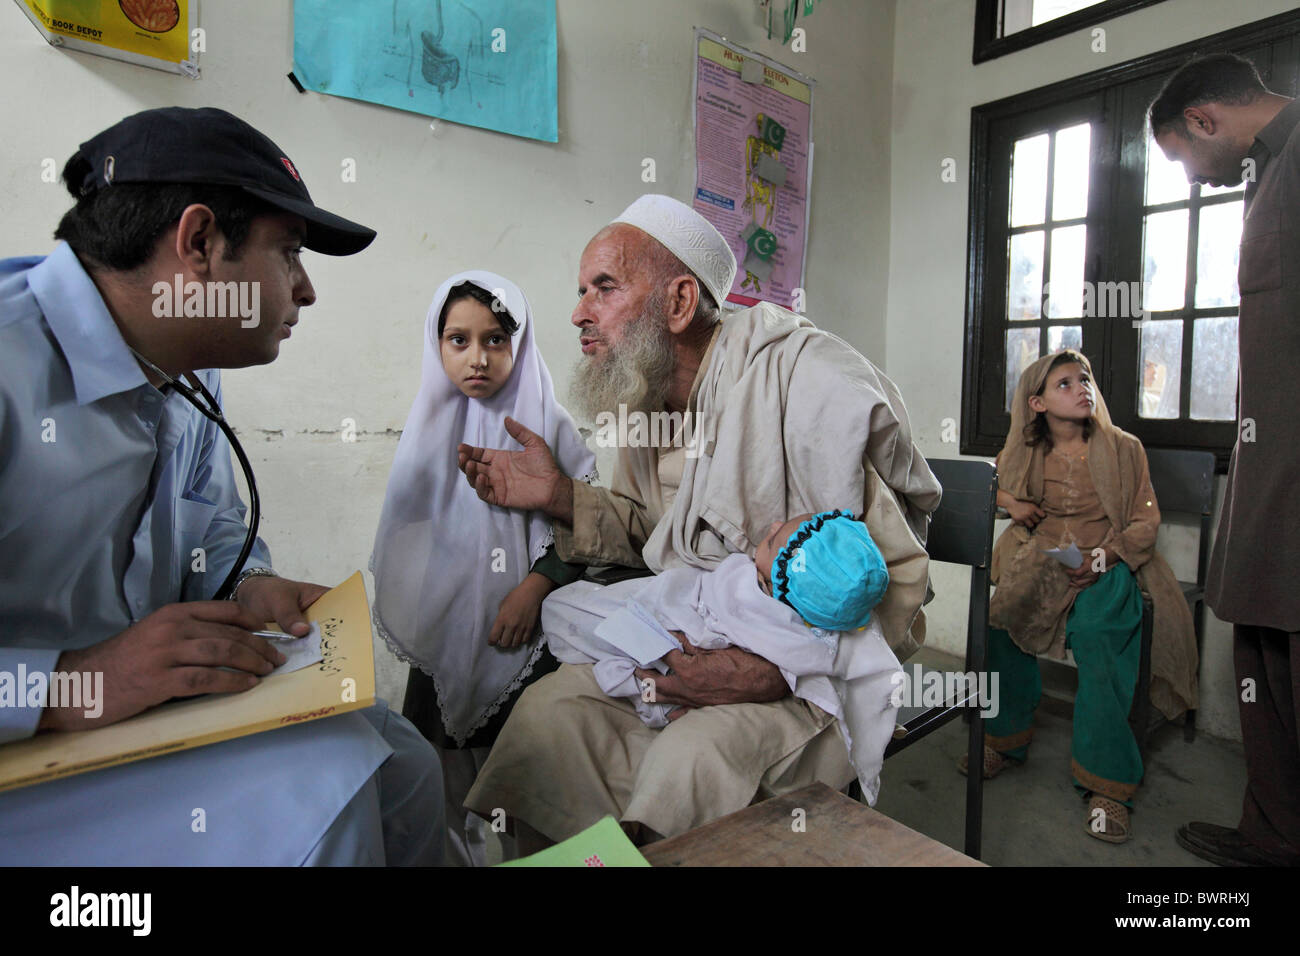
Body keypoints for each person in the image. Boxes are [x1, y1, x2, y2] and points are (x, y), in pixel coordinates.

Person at [0, 106, 442, 866]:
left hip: (130, 720)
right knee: (326, 798)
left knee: (404, 764)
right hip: (33, 742)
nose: (304, 291)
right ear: (199, 242)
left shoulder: (186, 373)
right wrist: (70, 685)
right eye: (290, 253)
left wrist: (250, 585)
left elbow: (217, 533)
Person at [457, 194, 940, 849]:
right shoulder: (645, 398)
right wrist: (561, 496)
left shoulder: (809, 383)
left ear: (679, 303)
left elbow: (898, 576)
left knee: (692, 758)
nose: (578, 313)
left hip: (808, 674)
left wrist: (773, 672)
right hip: (683, 637)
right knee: (545, 715)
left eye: (603, 288)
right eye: (580, 291)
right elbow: (650, 535)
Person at [370, 271, 595, 865]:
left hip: (529, 638)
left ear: (519, 345)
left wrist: (535, 586)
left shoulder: (548, 424)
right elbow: (411, 536)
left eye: (496, 339)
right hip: (444, 639)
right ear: (436, 344)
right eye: (458, 340)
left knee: (528, 785)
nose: (477, 358)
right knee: (441, 782)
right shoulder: (427, 428)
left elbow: (589, 523)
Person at [1150, 53, 1300, 866]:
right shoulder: (1269, 175)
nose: (1191, 178)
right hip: (1269, 472)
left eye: (1181, 158)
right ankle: (1274, 837)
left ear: (1206, 119)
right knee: (1265, 657)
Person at [977, 350, 1197, 843]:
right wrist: (1014, 503)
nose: (1082, 389)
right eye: (1065, 384)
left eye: (1086, 379)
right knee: (1001, 622)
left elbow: (1145, 521)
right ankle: (1005, 738)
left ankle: (1107, 786)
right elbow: (987, 486)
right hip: (1044, 556)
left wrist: (1105, 558)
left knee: (1101, 637)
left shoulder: (1124, 448)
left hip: (1106, 561)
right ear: (1036, 403)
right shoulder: (1025, 450)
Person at [545, 509, 903, 804]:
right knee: (551, 711)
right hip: (672, 621)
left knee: (570, 610)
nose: (773, 524)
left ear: (772, 581)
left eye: (771, 540)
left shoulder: (757, 601)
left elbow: (711, 608)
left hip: (680, 639)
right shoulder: (814, 625)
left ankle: (647, 840)